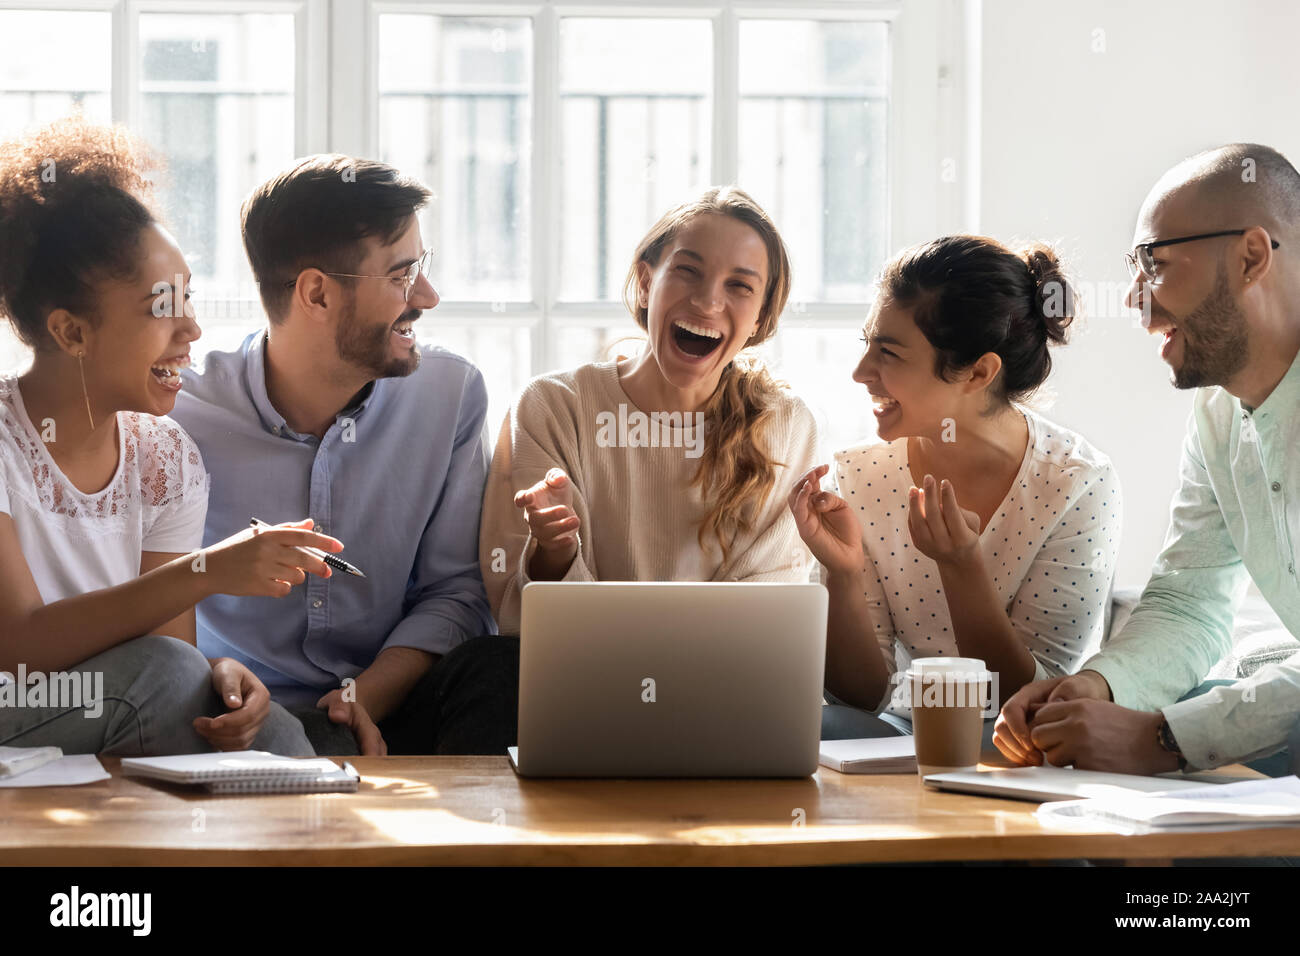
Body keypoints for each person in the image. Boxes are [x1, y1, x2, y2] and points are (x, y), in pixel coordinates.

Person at [0, 117, 329, 756]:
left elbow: (170, 648)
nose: (192, 330)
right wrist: (209, 570)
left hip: (119, 701)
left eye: (189, 299)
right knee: (170, 678)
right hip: (16, 702)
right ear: (71, 332)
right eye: (162, 306)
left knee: (272, 727)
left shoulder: (165, 455)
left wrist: (219, 681)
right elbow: (17, 650)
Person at [172, 154, 506, 757]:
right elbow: (149, 590)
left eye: (420, 268)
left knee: (499, 668)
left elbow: (456, 590)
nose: (427, 296)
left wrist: (364, 695)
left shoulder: (450, 394)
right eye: (402, 275)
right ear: (317, 293)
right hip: (230, 709)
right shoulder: (180, 413)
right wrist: (212, 671)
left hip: (395, 699)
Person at [994, 144, 1300, 777]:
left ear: (1251, 256)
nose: (1135, 304)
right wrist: (1099, 686)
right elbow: (1191, 602)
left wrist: (1166, 738)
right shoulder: (1218, 416)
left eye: (1153, 265)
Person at [790, 236, 1121, 740]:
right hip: (901, 729)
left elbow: (1032, 698)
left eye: (889, 353)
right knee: (823, 726)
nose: (861, 373)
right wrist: (842, 573)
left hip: (1021, 741)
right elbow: (860, 698)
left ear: (978, 372)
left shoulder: (1075, 485)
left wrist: (961, 566)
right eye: (867, 345)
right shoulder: (861, 474)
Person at [480, 186, 819, 653]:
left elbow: (767, 618)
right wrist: (555, 556)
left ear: (761, 318)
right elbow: (520, 623)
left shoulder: (786, 426)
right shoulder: (553, 407)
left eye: (739, 285)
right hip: (585, 681)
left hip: (724, 690)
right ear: (645, 282)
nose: (706, 302)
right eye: (687, 271)